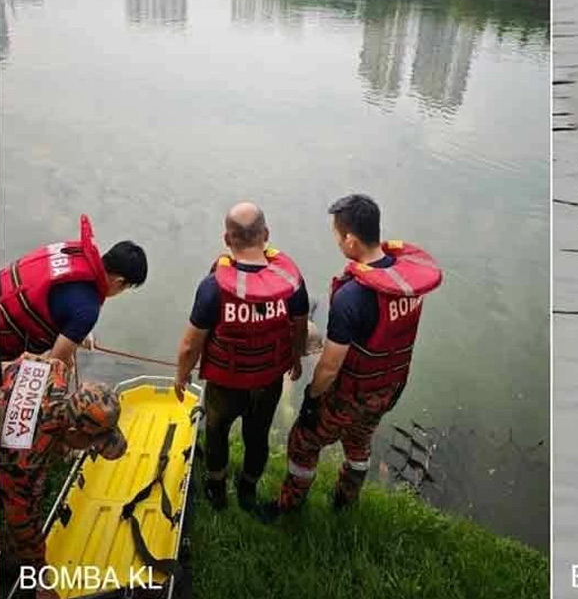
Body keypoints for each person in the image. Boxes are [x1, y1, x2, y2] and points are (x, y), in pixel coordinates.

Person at [259, 194, 442, 519]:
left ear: (351, 239)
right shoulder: (405, 284)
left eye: (336, 234)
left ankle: (287, 507)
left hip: (351, 393)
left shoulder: (352, 297)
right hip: (388, 388)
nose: (336, 241)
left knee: (303, 443)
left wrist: (313, 399)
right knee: (360, 442)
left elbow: (330, 366)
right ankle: (345, 502)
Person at [173, 203, 309, 512]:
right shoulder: (291, 282)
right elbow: (299, 327)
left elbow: (190, 345)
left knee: (217, 433)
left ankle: (217, 489)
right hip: (268, 381)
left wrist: (182, 375)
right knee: (257, 436)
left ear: (227, 239)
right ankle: (247, 490)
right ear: (266, 235)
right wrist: (297, 360)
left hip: (225, 385)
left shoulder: (213, 288)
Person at [0, 354, 127, 599]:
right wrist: (40, 579)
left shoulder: (55, 370)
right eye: (91, 444)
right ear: (72, 430)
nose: (89, 449)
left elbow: (23, 360)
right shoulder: (26, 457)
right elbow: (22, 520)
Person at [0, 214, 148, 369]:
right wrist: (68, 361)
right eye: (126, 287)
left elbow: (62, 299)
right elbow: (53, 364)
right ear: (119, 282)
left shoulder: (72, 251)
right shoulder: (87, 310)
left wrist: (77, 334)